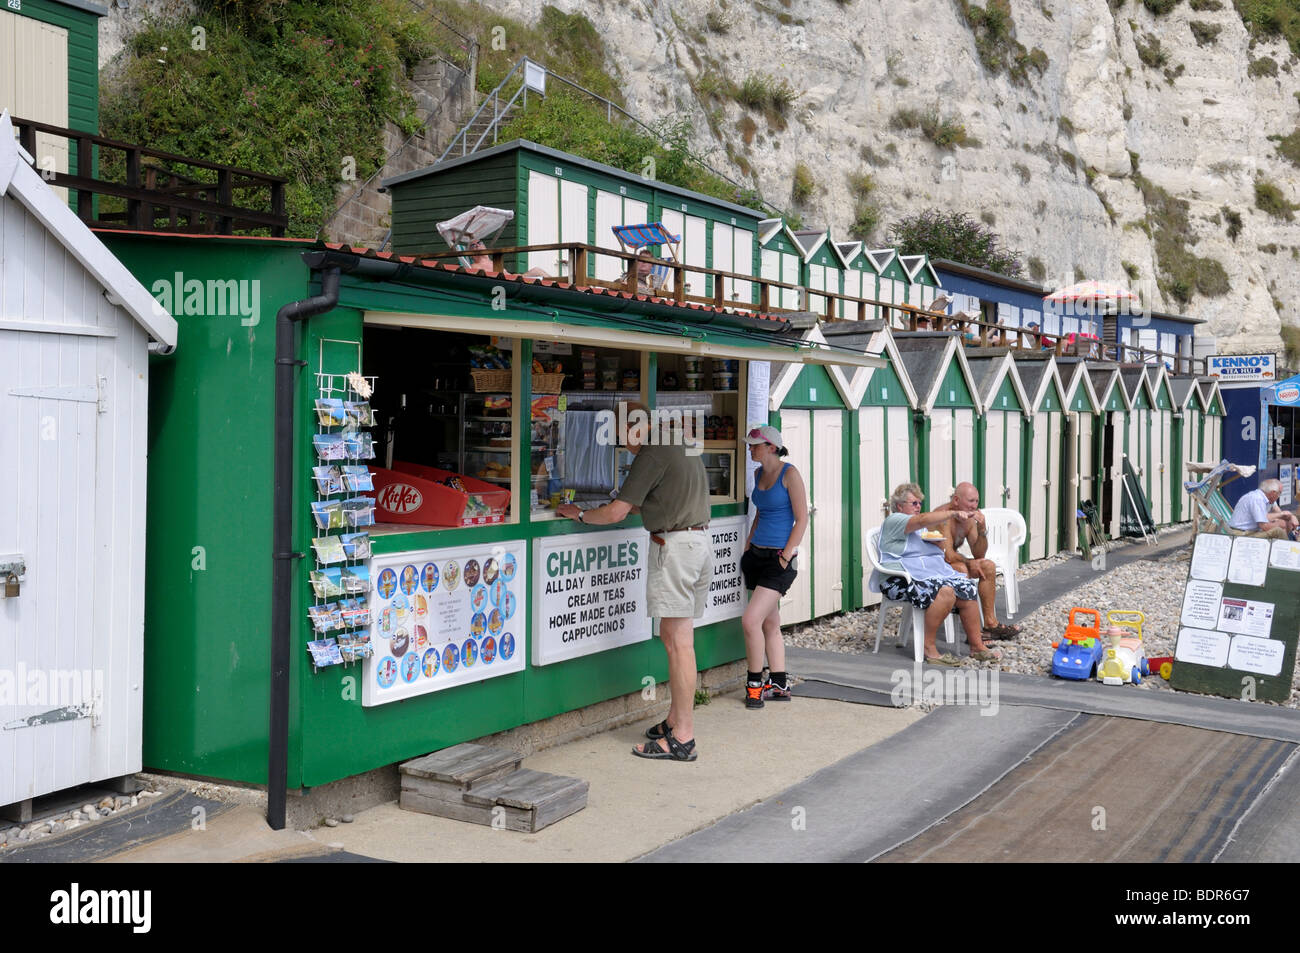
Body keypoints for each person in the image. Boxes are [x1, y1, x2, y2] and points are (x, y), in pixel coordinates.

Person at [556, 401, 711, 761]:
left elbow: (615, 512)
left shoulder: (653, 451)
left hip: (675, 548)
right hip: (697, 542)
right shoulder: (676, 441)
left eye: (619, 435)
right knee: (675, 638)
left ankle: (683, 737)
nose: (621, 444)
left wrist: (579, 514)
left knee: (678, 644)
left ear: (632, 428)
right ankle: (675, 721)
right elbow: (662, 497)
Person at [868, 483, 1001, 664]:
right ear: (900, 506)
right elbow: (923, 520)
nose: (918, 507)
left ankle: (977, 646)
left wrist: (935, 546)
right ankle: (928, 647)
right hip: (898, 579)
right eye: (913, 503)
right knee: (945, 591)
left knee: (967, 589)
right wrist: (953, 513)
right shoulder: (895, 520)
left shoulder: (919, 530)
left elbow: (933, 551)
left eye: (919, 503)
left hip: (923, 576)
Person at [739, 426, 808, 709]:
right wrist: (748, 545)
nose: (750, 449)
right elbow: (760, 513)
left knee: (750, 621)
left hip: (778, 561)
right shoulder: (757, 474)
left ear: (771, 446)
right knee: (769, 622)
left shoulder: (790, 474)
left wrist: (785, 556)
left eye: (754, 445)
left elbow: (802, 520)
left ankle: (755, 684)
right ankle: (779, 683)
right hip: (756, 555)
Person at [933, 482, 1020, 640]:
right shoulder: (943, 516)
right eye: (970, 501)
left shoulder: (968, 518)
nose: (974, 506)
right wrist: (968, 562)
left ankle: (989, 625)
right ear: (957, 500)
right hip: (934, 563)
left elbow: (979, 552)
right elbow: (948, 556)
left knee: (987, 566)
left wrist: (982, 529)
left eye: (976, 502)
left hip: (951, 561)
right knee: (962, 568)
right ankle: (971, 633)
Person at [1228, 478, 1298, 540]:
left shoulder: (1268, 498)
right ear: (1273, 493)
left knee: (1284, 524)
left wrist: (1291, 517)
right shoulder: (1257, 499)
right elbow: (1264, 526)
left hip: (1250, 531)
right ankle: (1288, 552)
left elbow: (1281, 513)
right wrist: (1278, 524)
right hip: (1240, 534)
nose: (1279, 496)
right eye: (1279, 493)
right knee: (1278, 531)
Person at [464, 240, 548, 280]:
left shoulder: (495, 261)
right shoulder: (474, 266)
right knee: (537, 272)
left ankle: (560, 284)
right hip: (508, 283)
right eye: (473, 245)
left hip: (515, 278)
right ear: (471, 254)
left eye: (479, 243)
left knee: (537, 270)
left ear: (485, 247)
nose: (477, 245)